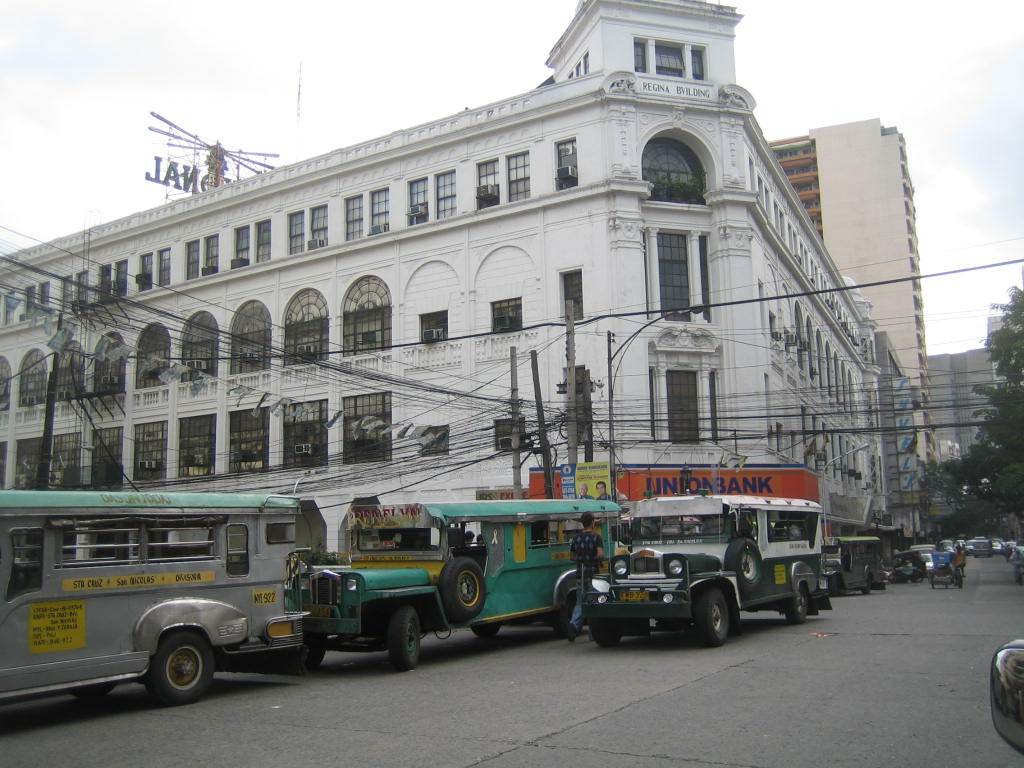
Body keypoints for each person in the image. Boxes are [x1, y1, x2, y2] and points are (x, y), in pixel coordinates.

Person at [567, 511, 604, 641]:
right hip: (593, 574)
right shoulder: (596, 537)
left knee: (580, 602)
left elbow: (572, 557)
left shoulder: (576, 538)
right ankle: (593, 633)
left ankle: (573, 624)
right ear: (592, 522)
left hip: (579, 574)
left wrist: (581, 558)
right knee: (593, 603)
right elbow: (600, 554)